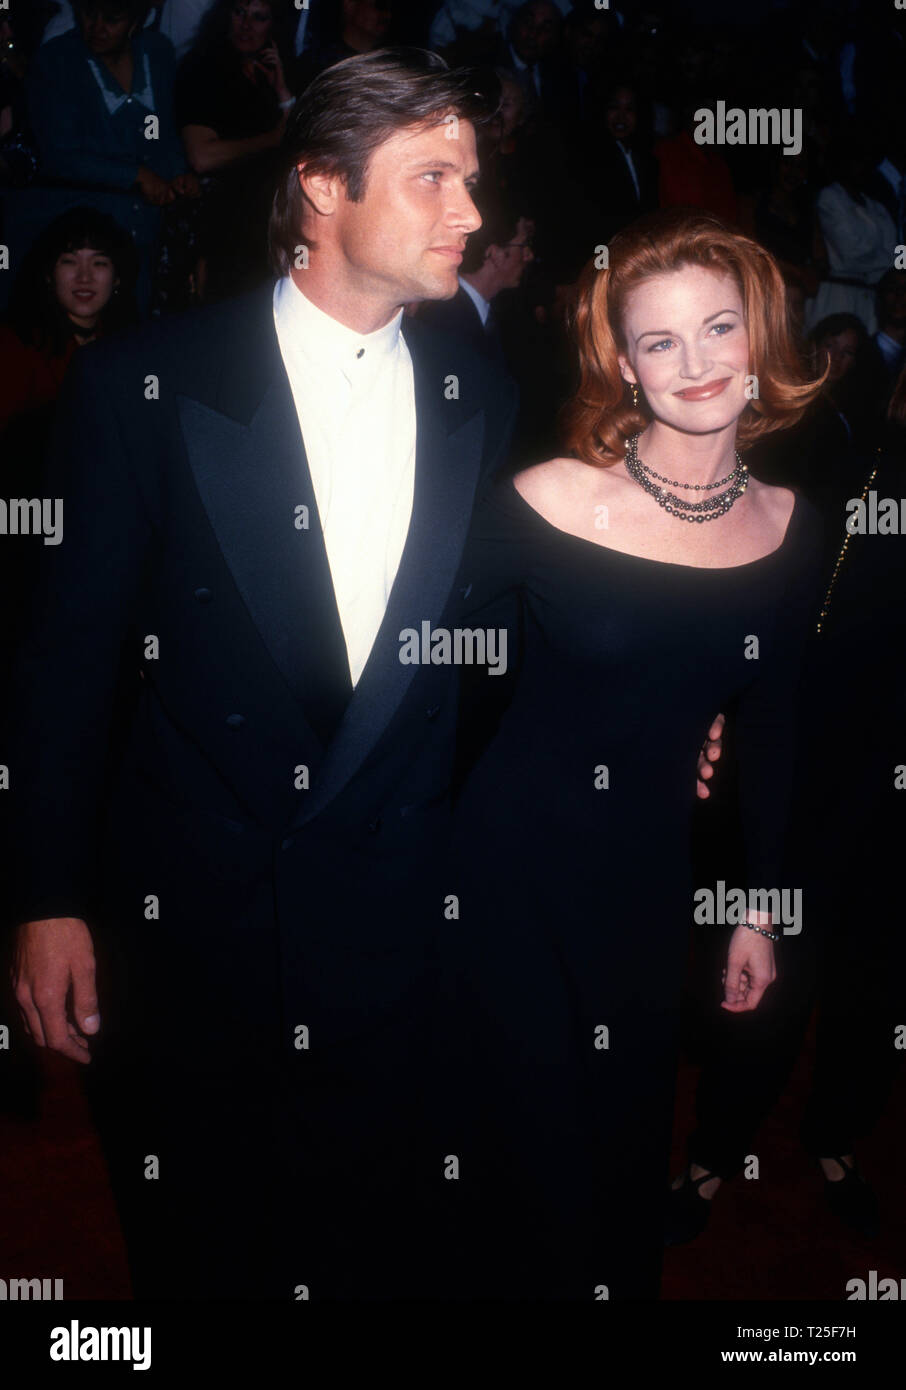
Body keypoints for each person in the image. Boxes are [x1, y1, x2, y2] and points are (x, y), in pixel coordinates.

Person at [441, 208, 826, 1300]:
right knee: (525, 1160)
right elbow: (411, 667)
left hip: (650, 885)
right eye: (660, 342)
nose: (696, 364)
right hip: (511, 871)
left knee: (620, 1145)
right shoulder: (551, 497)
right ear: (623, 361)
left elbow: (778, 720)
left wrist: (762, 906)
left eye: (718, 329)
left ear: (761, 336)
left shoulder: (793, 526)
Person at [25, 0, 195, 312]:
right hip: (80, 227)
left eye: (112, 18)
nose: (96, 28)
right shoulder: (56, 60)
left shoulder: (158, 52)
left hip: (145, 224)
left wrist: (178, 174)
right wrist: (135, 175)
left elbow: (164, 134)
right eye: (88, 14)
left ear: (136, 19)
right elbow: (57, 155)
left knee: (137, 325)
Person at [175, 0, 297, 299]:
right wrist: (272, 139)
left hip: (265, 226)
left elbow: (298, 145)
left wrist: (282, 91)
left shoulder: (267, 71)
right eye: (239, 12)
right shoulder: (201, 67)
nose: (246, 25)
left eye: (259, 17)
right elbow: (201, 157)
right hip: (218, 225)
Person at [0, 205, 138, 439]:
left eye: (99, 263)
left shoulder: (130, 345)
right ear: (48, 274)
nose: (84, 277)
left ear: (117, 278)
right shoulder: (15, 345)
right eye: (69, 261)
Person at [417, 198, 533, 361]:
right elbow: (451, 385)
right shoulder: (444, 320)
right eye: (523, 247)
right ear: (494, 254)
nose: (529, 256)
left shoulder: (491, 314)